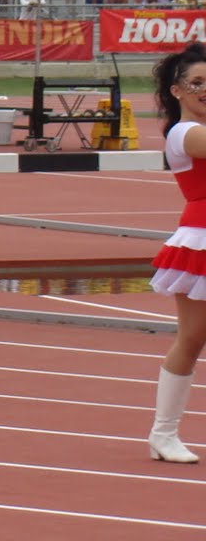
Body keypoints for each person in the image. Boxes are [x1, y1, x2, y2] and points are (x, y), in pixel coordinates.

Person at [146, 44, 206, 463]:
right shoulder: (184, 132)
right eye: (197, 82)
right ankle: (163, 434)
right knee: (193, 337)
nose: (205, 89)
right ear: (177, 90)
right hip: (201, 238)